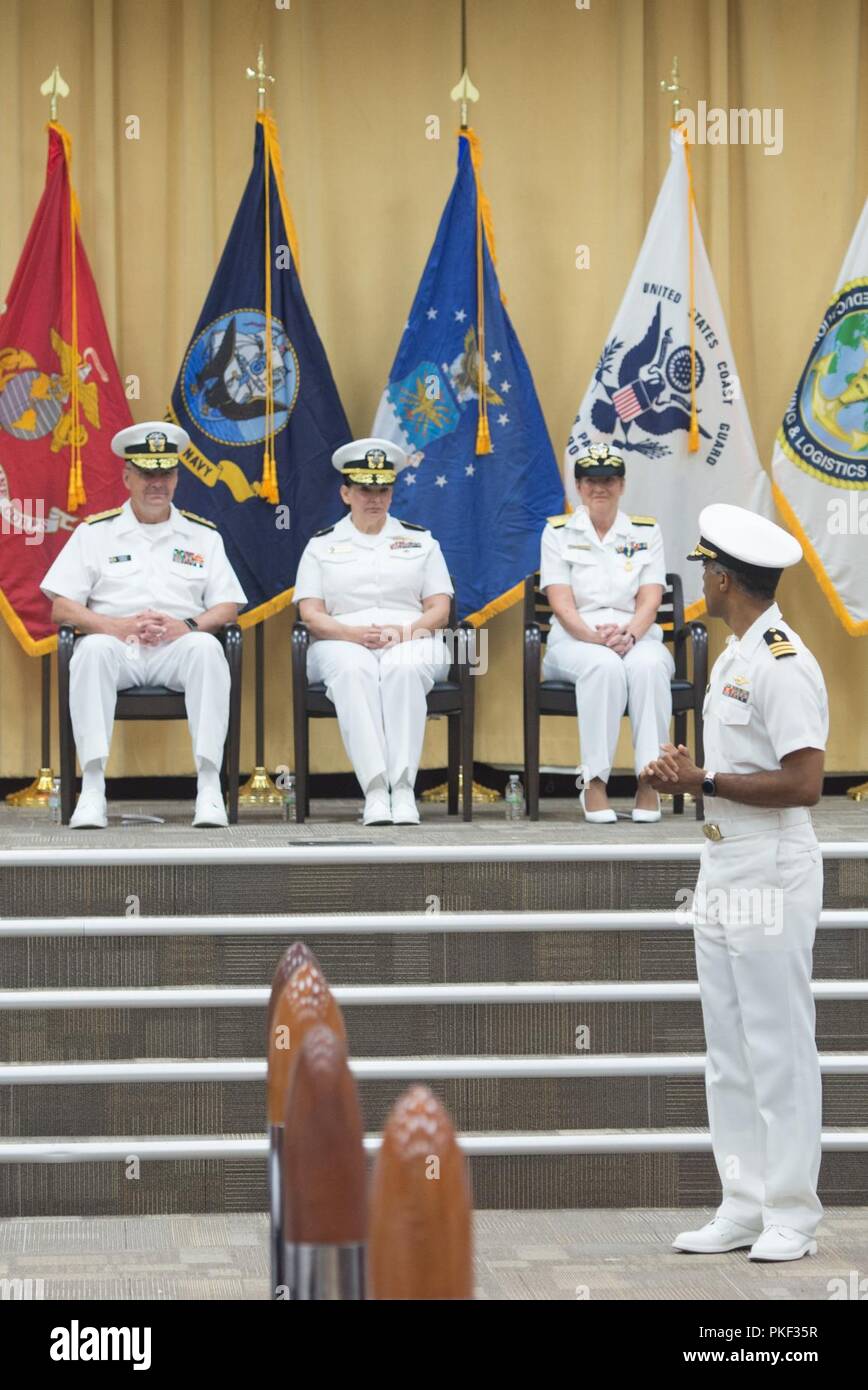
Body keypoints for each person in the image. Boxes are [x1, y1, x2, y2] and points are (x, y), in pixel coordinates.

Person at [639, 503, 828, 1263]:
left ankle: (793, 1212)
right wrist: (687, 780)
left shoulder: (783, 661)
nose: (702, 583)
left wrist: (705, 778)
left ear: (722, 578)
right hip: (720, 863)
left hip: (770, 867)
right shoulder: (733, 653)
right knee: (729, 1049)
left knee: (778, 1046)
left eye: (705, 571)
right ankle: (743, 1202)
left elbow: (806, 781)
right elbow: (726, 776)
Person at [40, 422, 247, 829]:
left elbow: (227, 606)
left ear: (176, 477)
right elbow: (61, 608)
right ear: (127, 477)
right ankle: (94, 789)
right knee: (92, 651)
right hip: (120, 647)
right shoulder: (94, 534)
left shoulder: (202, 535)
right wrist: (111, 626)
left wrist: (187, 625)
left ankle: (209, 788)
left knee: (208, 649)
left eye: (165, 473)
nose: (157, 483)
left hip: (178, 647)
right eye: (147, 474)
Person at [293, 437, 453, 826]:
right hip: (340, 639)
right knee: (353, 671)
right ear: (345, 492)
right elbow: (311, 613)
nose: (374, 498)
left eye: (382, 489)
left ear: (392, 492)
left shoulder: (420, 540)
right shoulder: (321, 545)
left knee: (403, 668)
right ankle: (376, 789)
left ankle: (403, 787)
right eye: (365, 489)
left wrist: (405, 631)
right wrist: (351, 634)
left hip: (411, 635)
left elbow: (440, 609)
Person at [539, 441, 673, 822]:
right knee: (603, 667)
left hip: (636, 634)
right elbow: (561, 603)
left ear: (622, 485)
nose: (601, 488)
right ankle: (594, 781)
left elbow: (650, 598)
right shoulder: (557, 532)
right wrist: (595, 638)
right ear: (578, 488)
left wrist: (629, 634)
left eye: (609, 480)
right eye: (591, 481)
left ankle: (651, 780)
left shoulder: (646, 532)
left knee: (650, 667)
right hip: (575, 639)